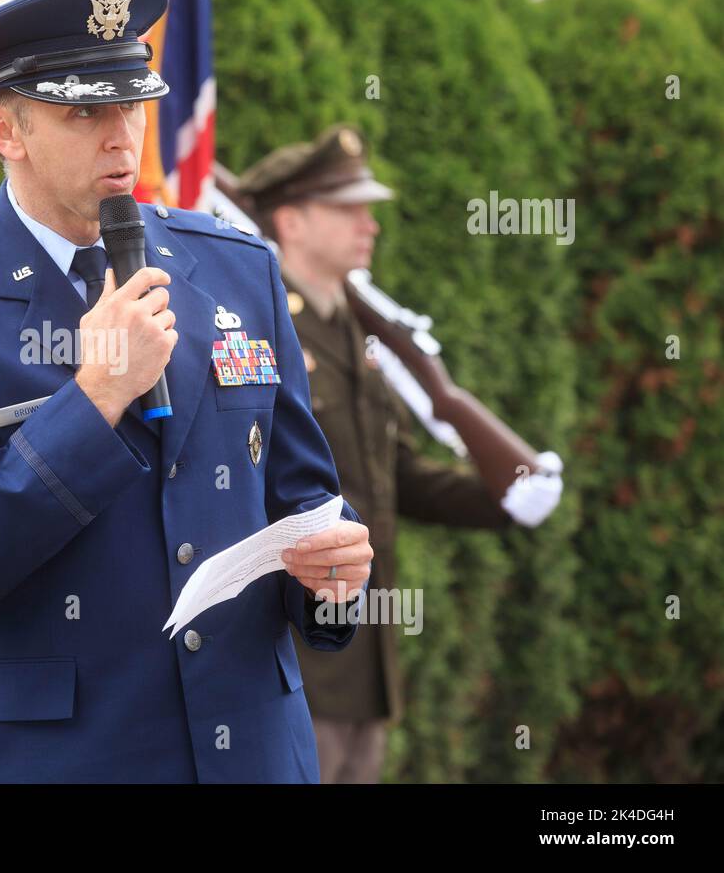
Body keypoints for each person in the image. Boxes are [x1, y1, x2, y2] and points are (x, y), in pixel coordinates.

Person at [0, 0, 374, 783]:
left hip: (255, 753)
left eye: (133, 106)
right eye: (84, 112)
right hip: (63, 759)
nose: (123, 139)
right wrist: (94, 398)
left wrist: (332, 579)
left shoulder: (238, 269)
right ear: (4, 131)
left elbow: (302, 502)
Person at [238, 126, 564, 783]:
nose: (371, 225)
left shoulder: (360, 334)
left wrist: (502, 499)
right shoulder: (259, 328)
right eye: (348, 209)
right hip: (293, 654)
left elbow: (398, 479)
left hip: (365, 660)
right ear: (292, 221)